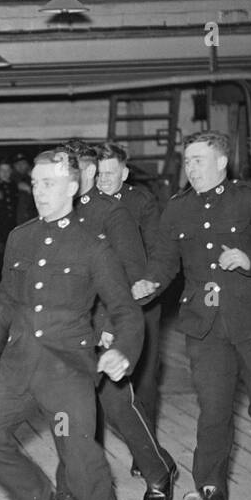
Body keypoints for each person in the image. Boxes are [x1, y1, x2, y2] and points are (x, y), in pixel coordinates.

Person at [0, 148, 144, 500]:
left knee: (83, 464)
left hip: (67, 369)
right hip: (19, 363)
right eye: (35, 184)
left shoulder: (93, 246)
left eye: (48, 184)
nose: (39, 193)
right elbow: (7, 295)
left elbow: (126, 311)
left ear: (72, 186)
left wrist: (122, 351)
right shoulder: (22, 237)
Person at [132, 131, 251, 500]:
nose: (190, 168)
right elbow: (164, 261)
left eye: (198, 160)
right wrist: (150, 284)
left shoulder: (248, 200)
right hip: (204, 325)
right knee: (213, 412)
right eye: (187, 160)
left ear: (222, 163)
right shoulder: (176, 209)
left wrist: (250, 258)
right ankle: (211, 497)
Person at [51, 141, 176, 500]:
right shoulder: (58, 214)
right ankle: (69, 492)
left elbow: (131, 277)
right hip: (69, 329)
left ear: (87, 173)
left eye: (68, 171)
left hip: (104, 328)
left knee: (118, 407)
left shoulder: (113, 214)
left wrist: (108, 331)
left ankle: (159, 472)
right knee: (71, 412)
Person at [95, 141, 164, 439]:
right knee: (96, 373)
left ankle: (145, 445)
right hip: (98, 305)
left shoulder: (141, 202)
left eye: (111, 173)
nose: (104, 179)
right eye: (99, 174)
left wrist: (147, 286)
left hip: (139, 300)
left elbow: (157, 251)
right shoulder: (85, 204)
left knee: (144, 375)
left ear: (124, 174)